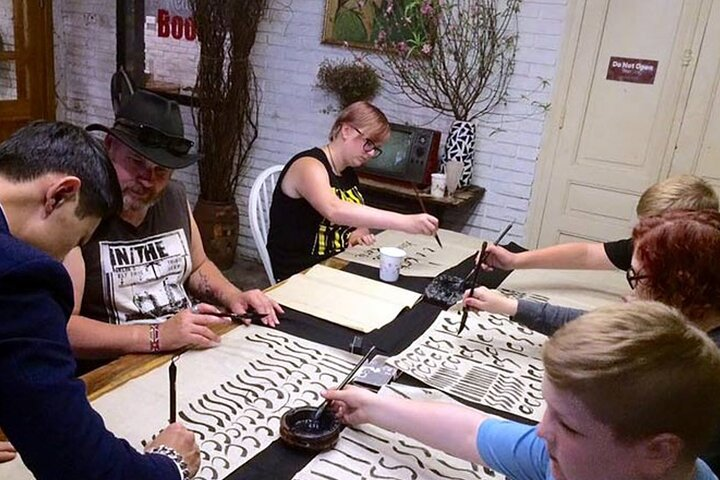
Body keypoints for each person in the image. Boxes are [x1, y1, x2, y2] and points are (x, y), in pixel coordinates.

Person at [0, 121, 199, 479]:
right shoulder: (20, 279)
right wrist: (171, 464)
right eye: (76, 240)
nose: (66, 257)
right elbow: (79, 463)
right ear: (59, 195)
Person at [324, 301, 720, 480]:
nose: (542, 430)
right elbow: (472, 432)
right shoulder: (587, 464)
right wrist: (374, 407)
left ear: (658, 451)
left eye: (568, 425)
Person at [63, 88, 283, 366]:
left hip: (184, 348)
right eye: (136, 162)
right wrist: (156, 336)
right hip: (121, 366)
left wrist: (233, 296)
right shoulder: (80, 212)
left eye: (161, 171)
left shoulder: (173, 197)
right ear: (110, 146)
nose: (147, 179)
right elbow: (64, 328)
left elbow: (198, 266)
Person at [463, 209, 720, 343]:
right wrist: (511, 305)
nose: (630, 292)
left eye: (636, 278)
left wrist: (634, 320)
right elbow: (587, 255)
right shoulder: (691, 323)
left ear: (681, 289)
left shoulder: (698, 366)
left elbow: (611, 332)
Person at [266, 101, 439, 281]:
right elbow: (334, 209)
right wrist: (404, 222)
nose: (371, 153)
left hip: (335, 266)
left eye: (376, 148)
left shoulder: (348, 173)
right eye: (369, 143)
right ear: (346, 130)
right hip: (299, 275)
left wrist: (358, 235)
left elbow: (359, 224)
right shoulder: (308, 165)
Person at [481, 175, 718, 272]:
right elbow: (586, 254)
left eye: (655, 231)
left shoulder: (706, 276)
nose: (644, 238)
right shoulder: (650, 244)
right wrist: (515, 260)